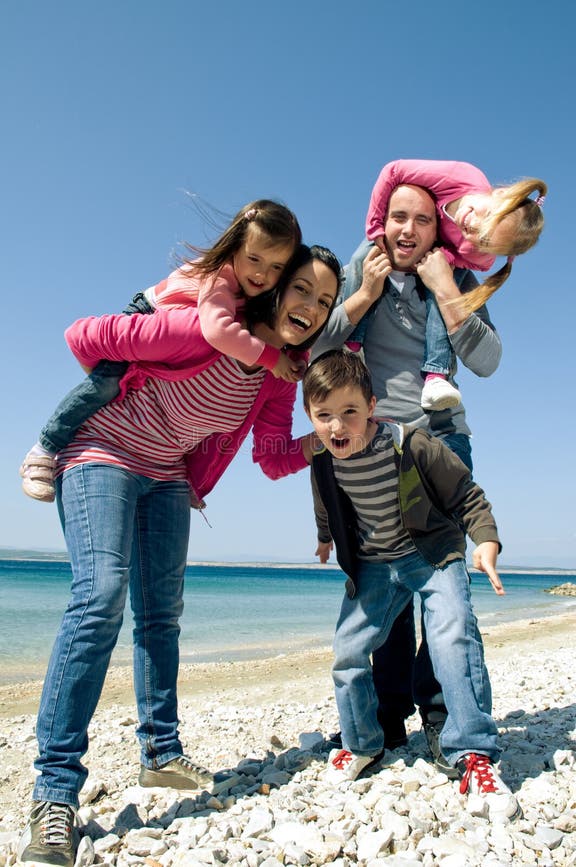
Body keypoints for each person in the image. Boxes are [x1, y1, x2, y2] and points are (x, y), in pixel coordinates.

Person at [16, 244, 341, 867]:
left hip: (167, 474)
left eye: (324, 301)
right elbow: (93, 338)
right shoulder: (205, 325)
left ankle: (161, 753)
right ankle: (55, 793)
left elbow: (271, 457)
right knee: (100, 597)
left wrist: (320, 440)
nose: (311, 307)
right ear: (274, 287)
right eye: (302, 289)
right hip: (100, 449)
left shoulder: (278, 375)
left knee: (162, 613)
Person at [310, 182, 503, 774]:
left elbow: (488, 360)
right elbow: (317, 353)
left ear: (436, 230)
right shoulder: (355, 270)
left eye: (421, 220)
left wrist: (448, 291)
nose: (407, 230)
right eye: (398, 217)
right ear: (381, 221)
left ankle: (447, 723)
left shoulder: (457, 276)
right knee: (383, 580)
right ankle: (385, 721)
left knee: (444, 596)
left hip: (439, 438)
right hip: (368, 440)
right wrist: (364, 295)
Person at [303, 348, 521, 822]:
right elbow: (327, 505)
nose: (338, 426)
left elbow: (466, 495)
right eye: (324, 416)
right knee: (347, 652)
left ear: (372, 407)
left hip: (430, 556)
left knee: (451, 637)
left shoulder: (412, 444)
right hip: (376, 565)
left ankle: (474, 755)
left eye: (349, 413)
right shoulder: (322, 460)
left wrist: (485, 541)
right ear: (310, 417)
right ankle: (363, 745)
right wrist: (325, 539)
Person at [19, 199, 304, 504]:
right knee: (106, 383)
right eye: (255, 259)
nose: (263, 274)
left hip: (165, 466)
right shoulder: (220, 278)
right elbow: (217, 331)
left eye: (277, 267)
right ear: (235, 247)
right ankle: (44, 448)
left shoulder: (250, 293)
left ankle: (184, 482)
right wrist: (272, 359)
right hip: (146, 313)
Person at [351, 159, 546, 411]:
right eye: (399, 217)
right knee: (361, 258)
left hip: (440, 430)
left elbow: (488, 362)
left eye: (483, 239)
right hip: (373, 421)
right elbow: (394, 170)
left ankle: (436, 375)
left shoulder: (473, 258)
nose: (471, 227)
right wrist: (374, 227)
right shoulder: (463, 177)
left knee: (441, 294)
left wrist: (443, 274)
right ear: (497, 194)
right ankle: (350, 347)